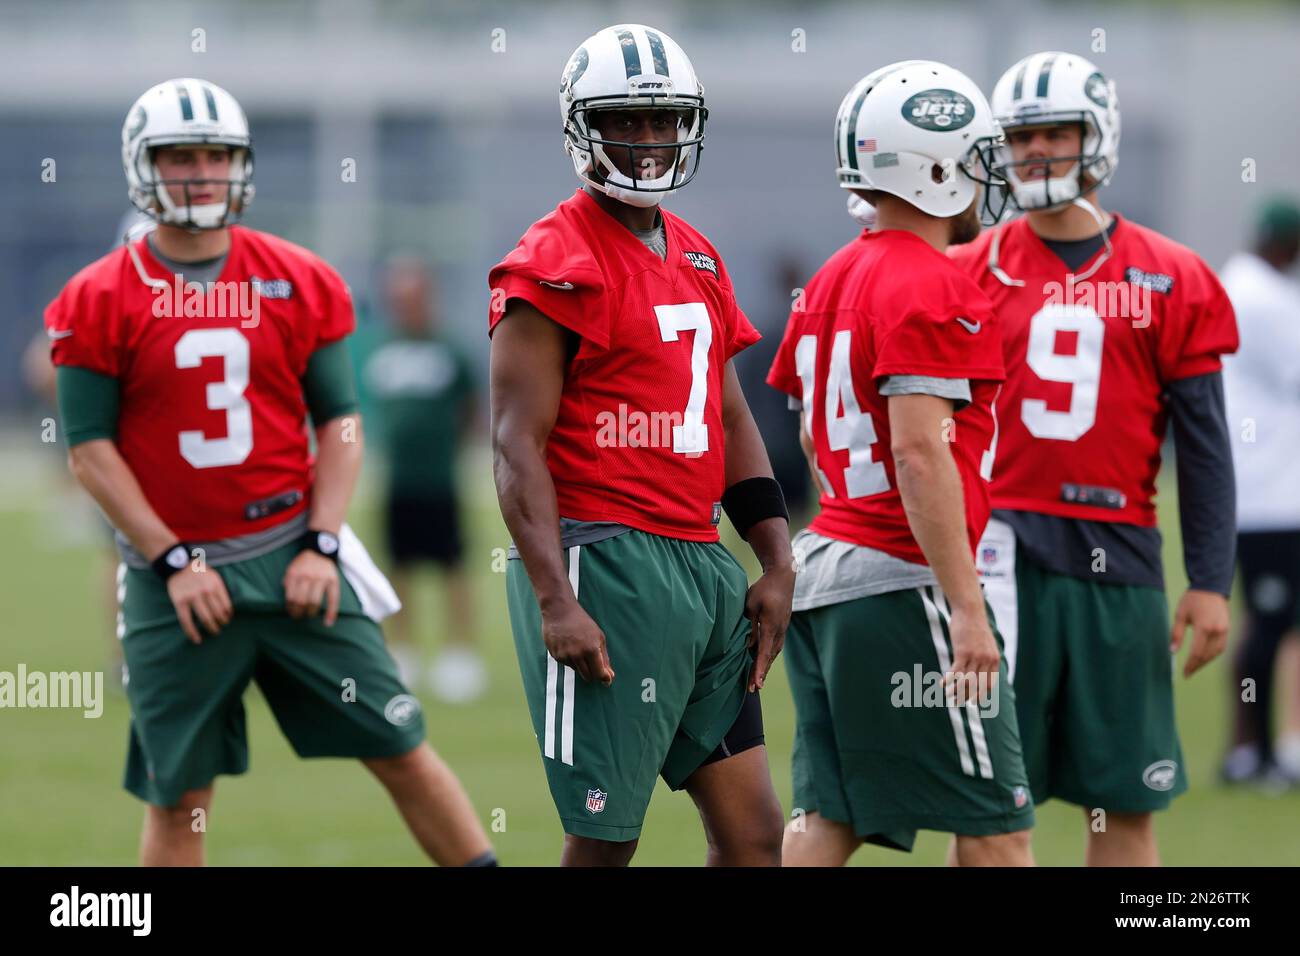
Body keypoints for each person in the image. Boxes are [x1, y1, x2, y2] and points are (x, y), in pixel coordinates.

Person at [45, 77, 493, 866]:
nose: (200, 174)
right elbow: (89, 450)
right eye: (178, 157)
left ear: (239, 164)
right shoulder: (98, 296)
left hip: (294, 556)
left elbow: (341, 424)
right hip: (172, 579)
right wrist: (172, 559)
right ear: (142, 168)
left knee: (401, 746)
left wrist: (322, 544)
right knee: (180, 797)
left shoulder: (298, 277)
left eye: (215, 156)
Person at [488, 25, 793, 866]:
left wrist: (775, 558)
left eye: (664, 122)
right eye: (629, 120)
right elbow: (516, 445)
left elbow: (728, 419)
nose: (650, 141)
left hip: (701, 565)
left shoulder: (696, 252)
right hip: (606, 561)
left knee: (755, 836)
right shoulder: (552, 260)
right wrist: (556, 599)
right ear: (583, 126)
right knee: (605, 841)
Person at [950, 52, 1239, 865]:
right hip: (994, 553)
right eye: (1021, 136)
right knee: (986, 810)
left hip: (1120, 560)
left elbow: (1208, 448)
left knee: (1122, 807)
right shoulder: (967, 267)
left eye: (1055, 133)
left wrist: (1211, 580)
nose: (1036, 151)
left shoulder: (1171, 275)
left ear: (1098, 137)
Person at [771, 60, 1034, 867]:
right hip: (901, 577)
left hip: (827, 571)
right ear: (936, 167)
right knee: (995, 821)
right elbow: (921, 451)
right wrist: (964, 606)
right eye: (976, 155)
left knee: (829, 818)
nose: (990, 175)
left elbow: (814, 435)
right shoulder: (932, 283)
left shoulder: (828, 280)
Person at [355, 257, 485, 703]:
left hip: (441, 479)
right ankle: (403, 652)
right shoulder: (379, 350)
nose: (403, 306)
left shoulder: (449, 349)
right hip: (398, 480)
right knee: (399, 565)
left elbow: (471, 407)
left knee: (453, 564)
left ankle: (459, 656)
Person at [1220, 197, 1300, 785]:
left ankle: (1254, 750)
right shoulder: (1262, 297)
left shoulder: (1247, 286)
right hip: (1270, 492)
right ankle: (1255, 755)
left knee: (1267, 622)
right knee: (1271, 623)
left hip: (1263, 487)